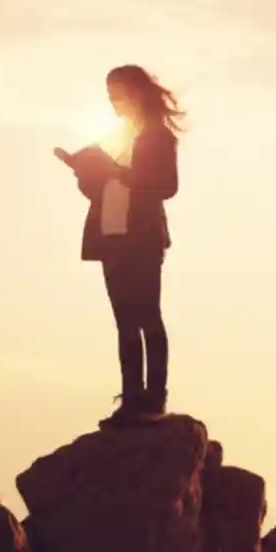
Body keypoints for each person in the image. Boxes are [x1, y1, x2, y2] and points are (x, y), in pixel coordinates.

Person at [56, 65, 183, 427]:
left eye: (117, 95)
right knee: (125, 321)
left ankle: (153, 399)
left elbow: (166, 186)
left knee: (147, 317)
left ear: (137, 94)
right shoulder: (117, 137)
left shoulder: (156, 136)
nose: (113, 104)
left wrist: (114, 172)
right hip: (110, 234)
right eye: (109, 96)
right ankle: (131, 398)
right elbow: (101, 191)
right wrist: (84, 171)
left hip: (140, 236)